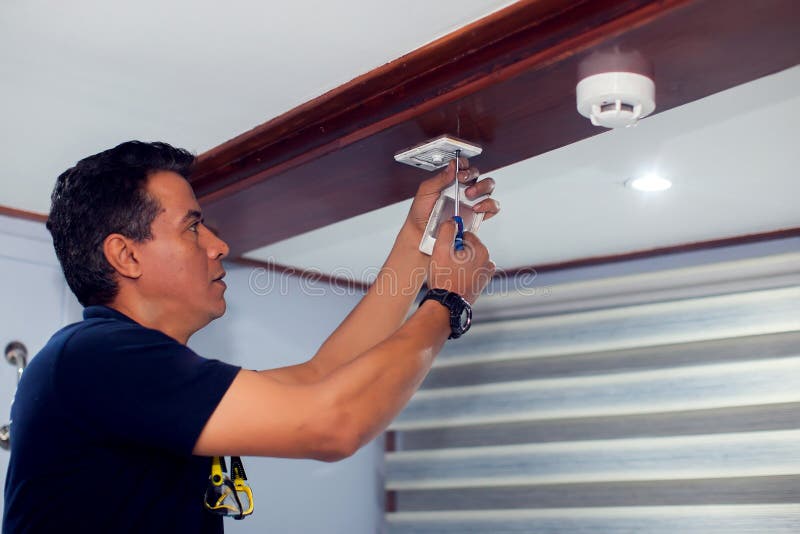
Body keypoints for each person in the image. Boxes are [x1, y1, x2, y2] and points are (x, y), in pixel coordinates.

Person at [2, 141, 498, 533]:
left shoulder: (122, 370)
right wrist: (447, 304)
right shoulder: (94, 358)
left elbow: (320, 377)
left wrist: (418, 241)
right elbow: (333, 425)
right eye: (193, 228)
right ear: (126, 256)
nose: (219, 245)